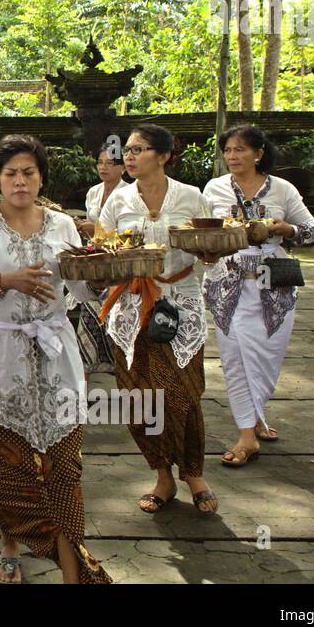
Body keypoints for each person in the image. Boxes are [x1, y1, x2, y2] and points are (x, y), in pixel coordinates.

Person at [0, 135, 112, 584]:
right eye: (11, 174)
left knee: (65, 464)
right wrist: (5, 281)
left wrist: (98, 282)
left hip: (56, 355)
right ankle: (12, 544)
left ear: (40, 177)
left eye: (28, 172)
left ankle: (72, 568)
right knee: (13, 467)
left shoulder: (63, 225)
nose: (20, 181)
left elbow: (79, 290)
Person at [98, 124, 219, 515]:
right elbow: (103, 250)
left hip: (179, 304)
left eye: (138, 150)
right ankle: (162, 476)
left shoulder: (191, 197)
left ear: (165, 155)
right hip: (131, 308)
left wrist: (209, 255)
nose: (128, 157)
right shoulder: (118, 200)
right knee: (138, 398)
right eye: (126, 151)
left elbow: (210, 243)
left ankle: (194, 473)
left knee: (182, 393)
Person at [203, 124, 314, 467]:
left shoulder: (282, 190)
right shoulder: (214, 188)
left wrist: (287, 230)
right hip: (227, 285)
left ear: (259, 153)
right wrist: (207, 249)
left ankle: (255, 415)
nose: (232, 156)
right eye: (227, 150)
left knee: (266, 357)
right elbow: (201, 229)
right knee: (235, 358)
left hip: (274, 287)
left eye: (240, 149)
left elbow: (313, 230)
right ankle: (246, 436)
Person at [73, 142, 131, 378]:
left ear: (122, 168)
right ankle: (85, 375)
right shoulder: (93, 192)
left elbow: (129, 234)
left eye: (111, 163)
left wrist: (95, 228)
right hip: (96, 264)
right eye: (100, 162)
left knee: (116, 321)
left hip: (118, 264)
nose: (104, 167)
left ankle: (122, 371)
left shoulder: (129, 193)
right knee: (89, 314)